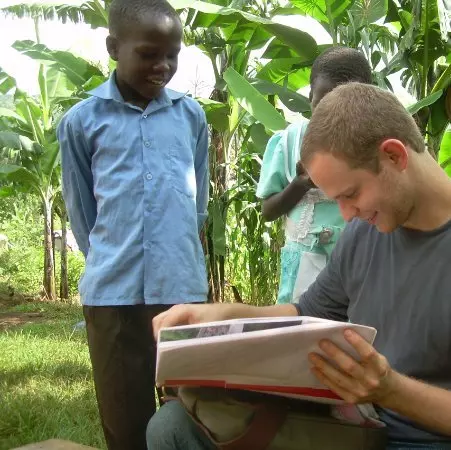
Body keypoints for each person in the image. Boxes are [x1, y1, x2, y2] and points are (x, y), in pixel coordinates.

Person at [146, 83, 451, 449]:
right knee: (172, 427)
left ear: (393, 156)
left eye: (351, 194)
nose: (346, 214)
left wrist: (390, 390)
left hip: (424, 440)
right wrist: (216, 317)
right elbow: (306, 311)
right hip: (356, 428)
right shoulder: (363, 233)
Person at [57, 0, 209, 448]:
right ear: (113, 47)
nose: (162, 66)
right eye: (148, 54)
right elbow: (82, 210)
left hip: (180, 289)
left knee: (192, 414)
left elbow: (196, 201)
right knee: (125, 421)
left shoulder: (190, 116)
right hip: (114, 295)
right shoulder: (82, 122)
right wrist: (109, 257)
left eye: (172, 55)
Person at [256, 47, 372, 304]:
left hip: (358, 264)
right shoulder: (288, 142)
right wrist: (301, 184)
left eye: (346, 106)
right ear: (310, 96)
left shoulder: (375, 145)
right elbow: (268, 211)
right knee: (299, 331)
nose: (333, 115)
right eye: (323, 103)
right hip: (302, 267)